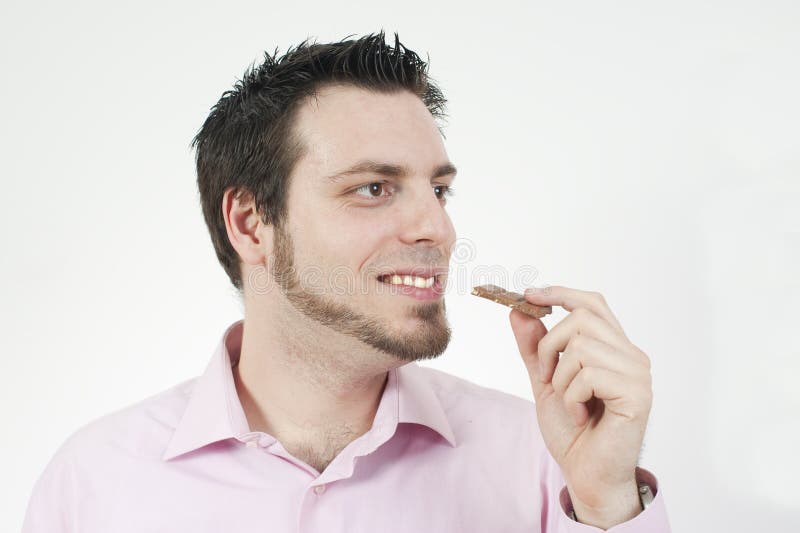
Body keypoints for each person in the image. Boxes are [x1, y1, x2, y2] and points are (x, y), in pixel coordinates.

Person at [22, 31, 671, 532]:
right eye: (374, 187)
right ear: (251, 223)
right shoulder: (95, 483)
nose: (437, 227)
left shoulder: (543, 461)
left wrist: (606, 502)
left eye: (437, 188)